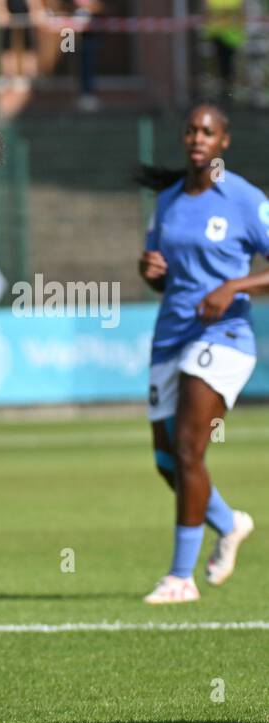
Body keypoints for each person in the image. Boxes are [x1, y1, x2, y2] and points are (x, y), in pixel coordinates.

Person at [136, 103, 266, 603]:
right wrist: (150, 271)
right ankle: (229, 523)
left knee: (190, 449)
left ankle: (180, 578)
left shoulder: (244, 199)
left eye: (208, 132)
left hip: (223, 338)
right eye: (191, 129)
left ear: (224, 142)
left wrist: (234, 285)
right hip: (170, 335)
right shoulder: (168, 200)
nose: (197, 138)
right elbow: (161, 276)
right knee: (167, 460)